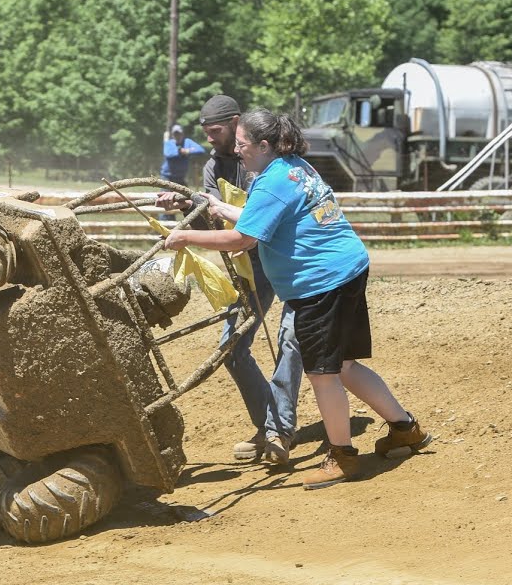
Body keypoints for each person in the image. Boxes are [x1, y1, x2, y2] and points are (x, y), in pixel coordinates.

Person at [162, 108, 433, 489]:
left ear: (264, 145)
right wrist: (215, 206)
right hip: (347, 268)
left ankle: (342, 456)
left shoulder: (271, 182)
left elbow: (244, 238)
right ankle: (406, 429)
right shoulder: (294, 167)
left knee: (322, 375)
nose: (237, 151)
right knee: (344, 366)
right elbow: (265, 216)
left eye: (242, 145)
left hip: (320, 283)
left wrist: (185, 237)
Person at [156, 95, 301, 468]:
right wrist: (189, 206)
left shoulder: (268, 160)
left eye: (217, 132)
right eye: (206, 133)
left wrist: (194, 227)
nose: (211, 140)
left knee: (291, 341)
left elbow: (258, 220)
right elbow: (217, 219)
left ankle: (278, 429)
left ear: (237, 124)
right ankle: (268, 425)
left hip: (287, 260)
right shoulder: (214, 165)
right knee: (233, 348)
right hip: (249, 263)